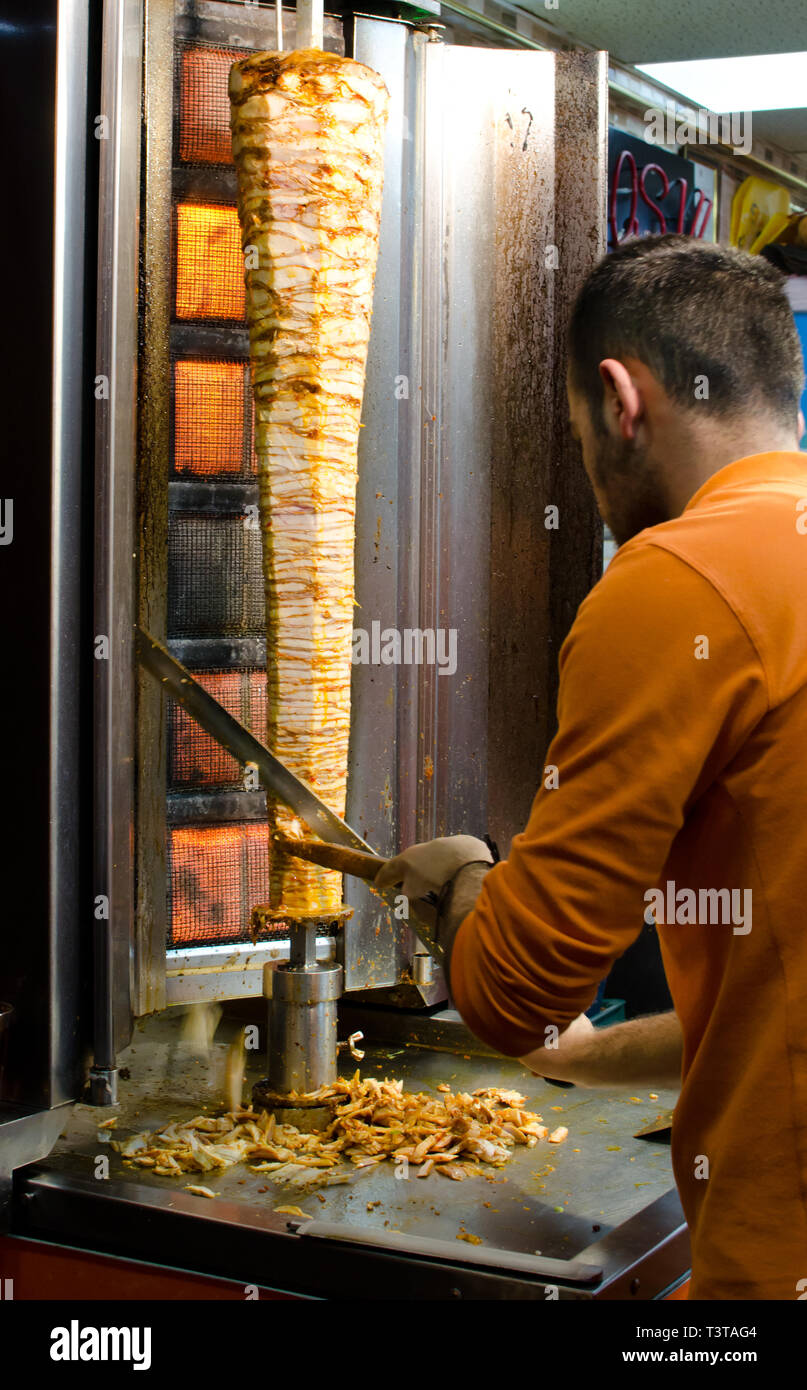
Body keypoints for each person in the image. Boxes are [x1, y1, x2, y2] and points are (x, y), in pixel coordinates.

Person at [376, 235, 807, 1301]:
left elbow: (511, 994)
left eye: (577, 437)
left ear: (622, 398)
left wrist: (469, 879)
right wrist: (577, 1057)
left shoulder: (680, 578)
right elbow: (772, 1002)